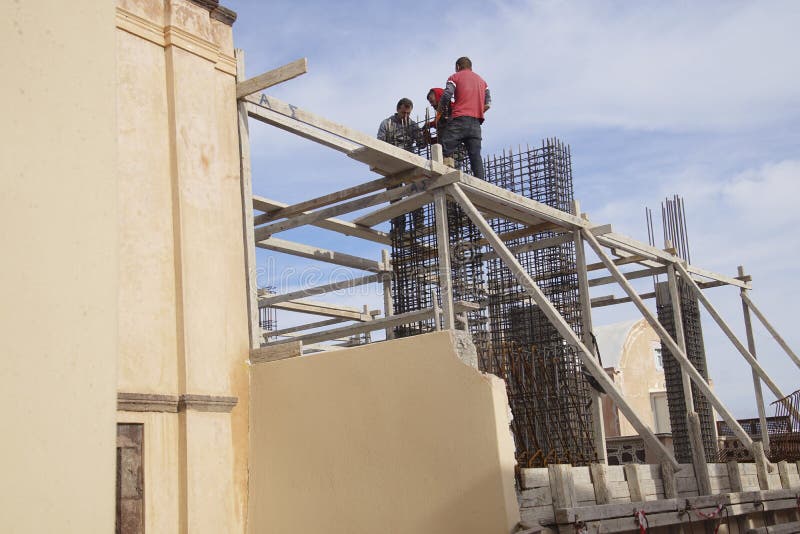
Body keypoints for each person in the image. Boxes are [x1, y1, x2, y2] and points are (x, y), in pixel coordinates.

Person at [437, 57, 491, 179]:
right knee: (475, 155)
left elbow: (447, 95)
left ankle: (444, 174)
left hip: (459, 119)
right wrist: (475, 110)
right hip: (476, 123)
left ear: (457, 66)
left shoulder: (455, 77)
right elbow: (488, 104)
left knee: (445, 147)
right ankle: (481, 183)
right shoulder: (483, 82)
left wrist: (440, 110)